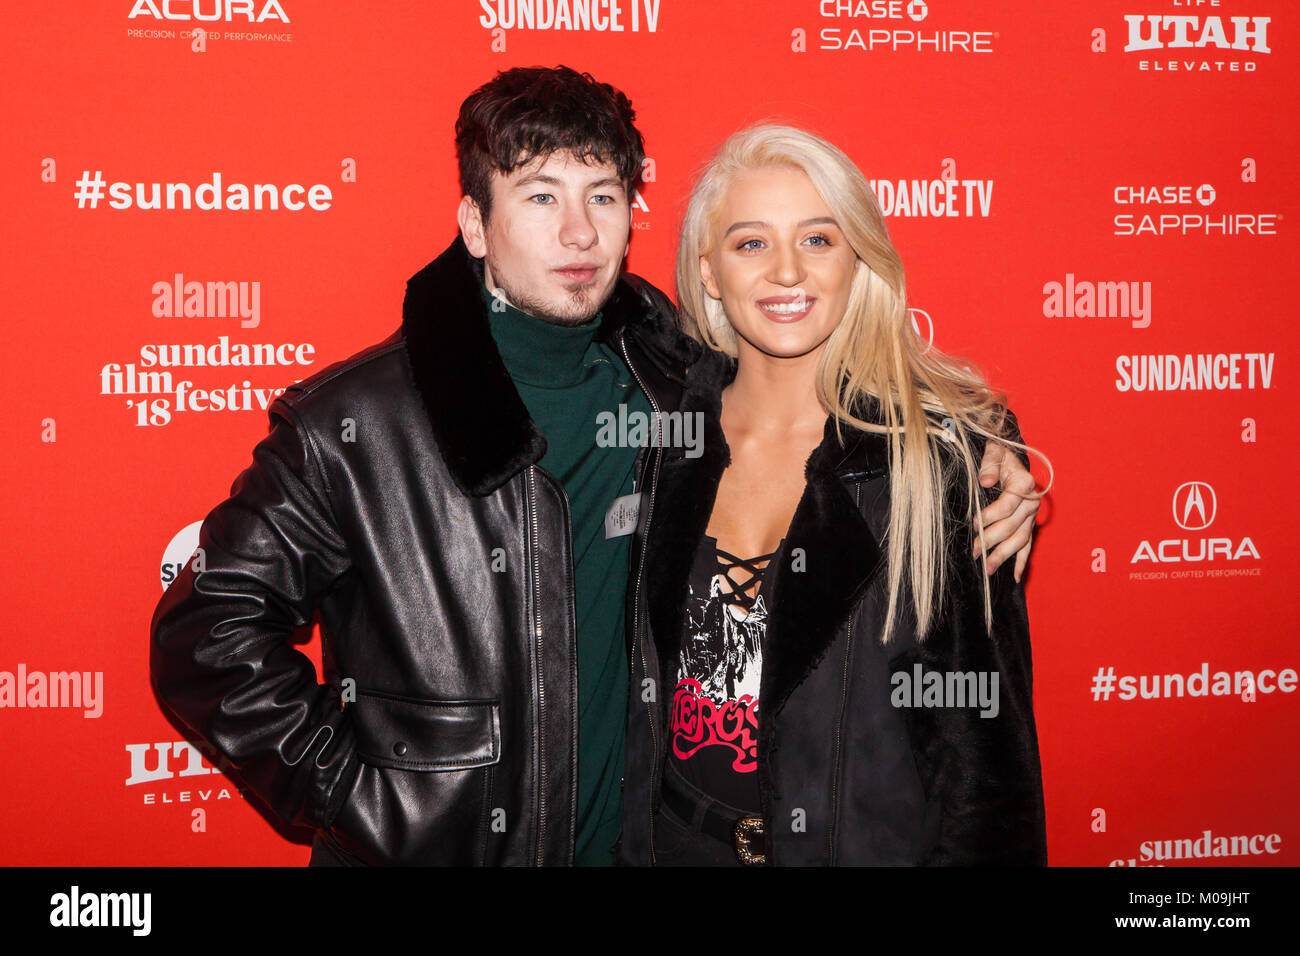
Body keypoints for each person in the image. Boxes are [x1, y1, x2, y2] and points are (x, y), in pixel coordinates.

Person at [150, 68, 1040, 866]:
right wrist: (367, 797)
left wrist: (995, 452)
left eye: (603, 196)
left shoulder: (667, 383)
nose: (578, 232)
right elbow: (208, 634)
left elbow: (844, 401)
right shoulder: (358, 425)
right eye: (539, 197)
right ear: (474, 222)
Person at [617, 125, 1050, 866]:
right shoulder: (659, 435)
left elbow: (985, 765)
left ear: (858, 260)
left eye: (818, 240)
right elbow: (553, 295)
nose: (787, 271)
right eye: (751, 243)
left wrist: (986, 435)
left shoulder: (937, 465)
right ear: (710, 271)